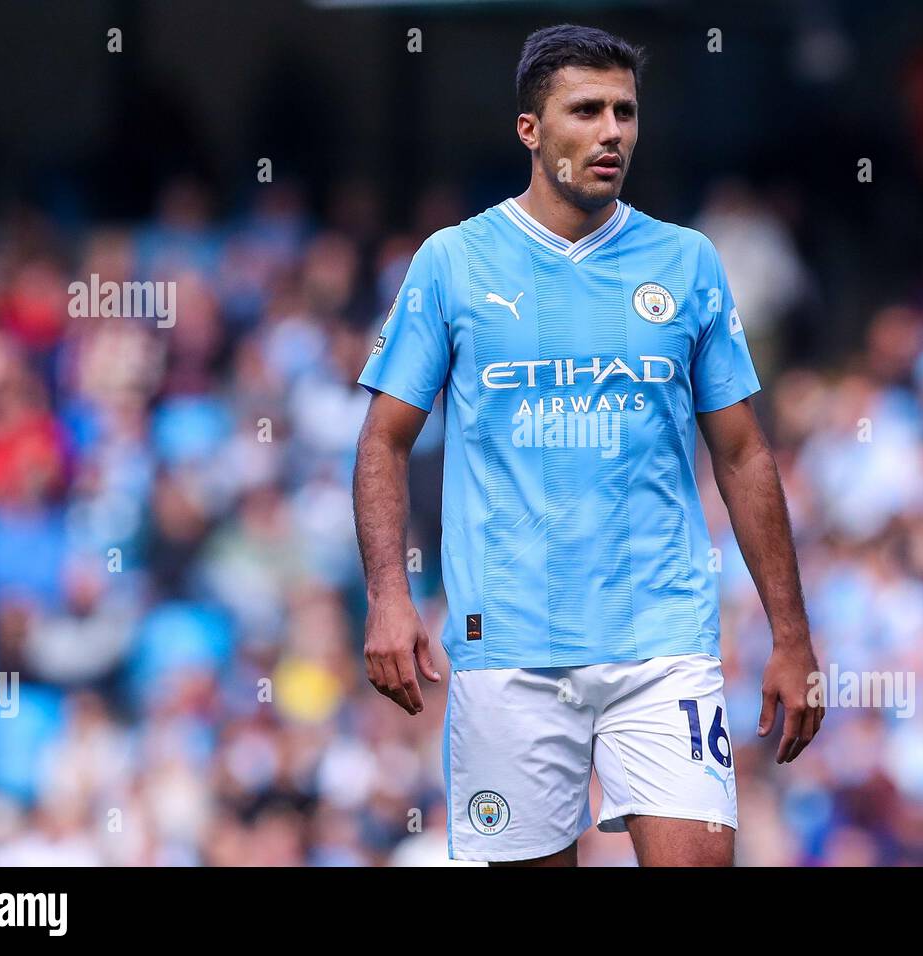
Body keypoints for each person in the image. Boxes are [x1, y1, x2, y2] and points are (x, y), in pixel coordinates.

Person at [352, 23, 822, 866]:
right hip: (508, 647)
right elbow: (384, 441)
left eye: (625, 112)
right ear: (531, 129)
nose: (612, 131)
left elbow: (745, 454)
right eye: (587, 110)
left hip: (664, 640)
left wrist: (791, 635)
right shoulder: (453, 263)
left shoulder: (687, 263)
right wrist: (389, 594)